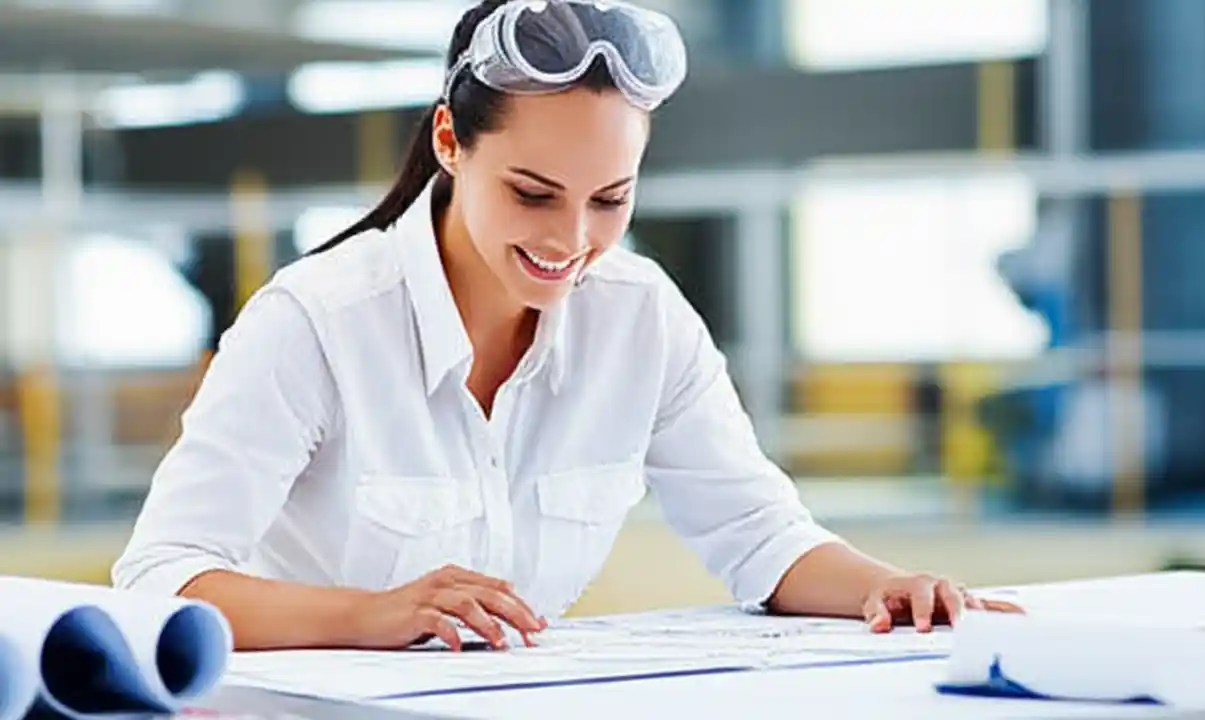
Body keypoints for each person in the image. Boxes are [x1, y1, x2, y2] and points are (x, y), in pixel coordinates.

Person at [113, 0, 1019, 652]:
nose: (571, 241)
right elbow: (160, 581)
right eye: (532, 194)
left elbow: (761, 537)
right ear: (448, 140)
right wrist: (372, 613)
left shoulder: (642, 318)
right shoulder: (314, 324)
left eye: (610, 200)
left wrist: (886, 588)